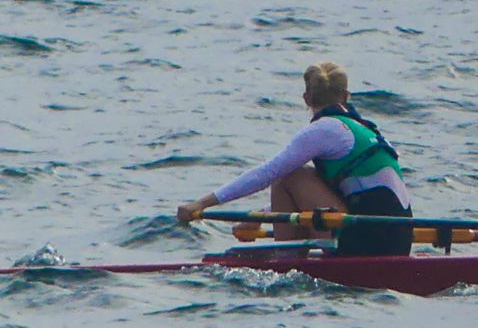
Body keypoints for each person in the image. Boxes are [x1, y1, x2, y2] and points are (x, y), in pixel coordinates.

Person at [176, 61, 414, 256]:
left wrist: (201, 204)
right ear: (346, 96)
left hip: (367, 242)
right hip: (400, 239)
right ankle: (297, 253)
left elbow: (267, 174)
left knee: (288, 176)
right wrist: (261, 216)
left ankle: (287, 262)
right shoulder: (365, 130)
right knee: (305, 175)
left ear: (306, 99)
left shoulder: (323, 130)